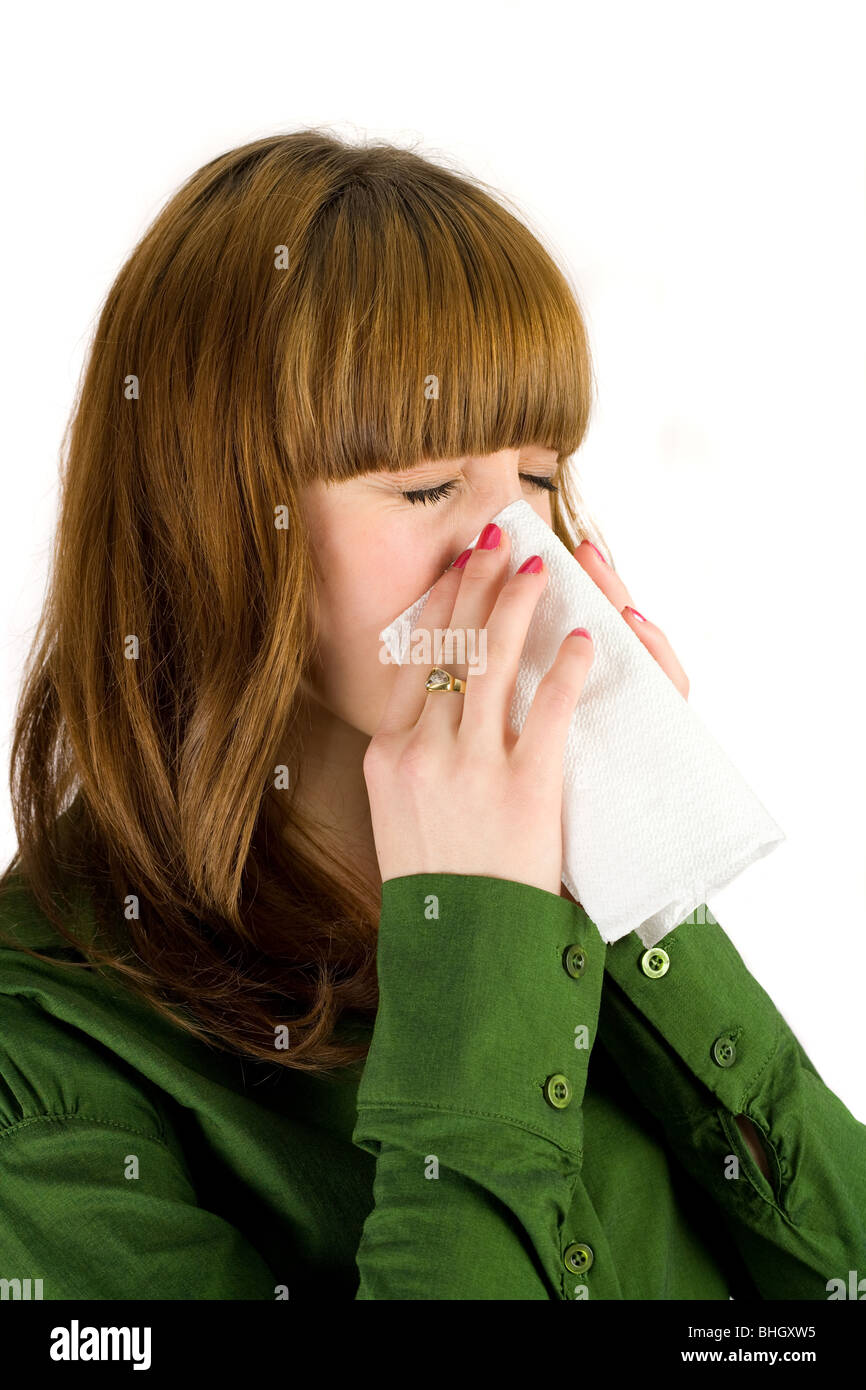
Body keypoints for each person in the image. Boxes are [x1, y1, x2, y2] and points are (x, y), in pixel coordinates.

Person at [0, 129, 862, 1301]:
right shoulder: (40, 1066)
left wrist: (624, 867)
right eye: (424, 485)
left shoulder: (581, 897)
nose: (520, 553)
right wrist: (474, 954)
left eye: (542, 478)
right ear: (208, 523)